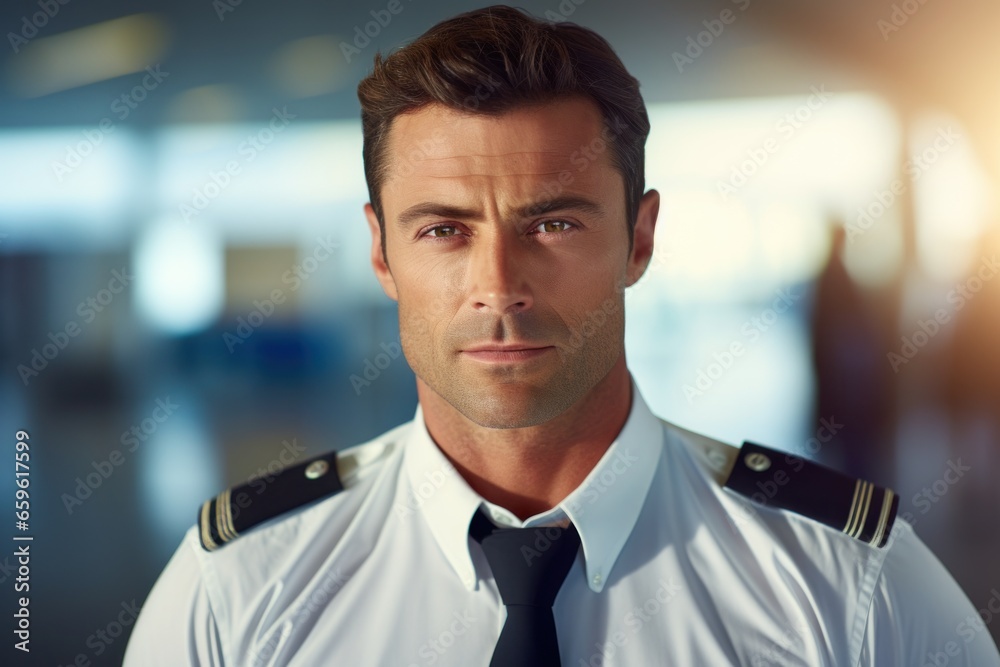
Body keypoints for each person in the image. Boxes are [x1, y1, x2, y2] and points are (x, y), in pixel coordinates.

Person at [123, 6, 1000, 666]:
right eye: (443, 230)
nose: (499, 287)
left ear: (640, 240)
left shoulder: (844, 585)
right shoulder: (240, 586)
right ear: (381, 253)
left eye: (553, 226)